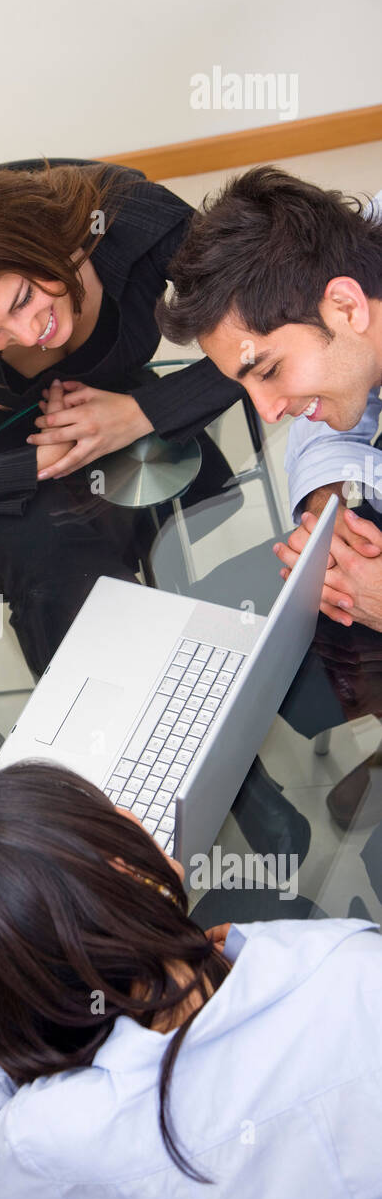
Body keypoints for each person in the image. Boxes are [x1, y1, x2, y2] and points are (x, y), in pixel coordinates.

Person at [0, 761, 382, 1199]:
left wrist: (31, 1028)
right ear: (126, 871)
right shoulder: (350, 969)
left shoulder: (59, 1130)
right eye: (109, 818)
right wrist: (230, 948)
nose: (127, 813)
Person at [0, 160, 245, 679]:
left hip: (120, 426)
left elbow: (264, 334)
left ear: (38, 239)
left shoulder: (132, 221)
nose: (28, 333)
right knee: (73, 592)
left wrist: (142, 413)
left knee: (150, 574)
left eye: (25, 299)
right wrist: (30, 464)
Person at [158, 166, 382, 829]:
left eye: (270, 372)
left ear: (345, 306)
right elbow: (351, 385)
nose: (271, 411)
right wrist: (327, 491)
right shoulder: (357, 275)